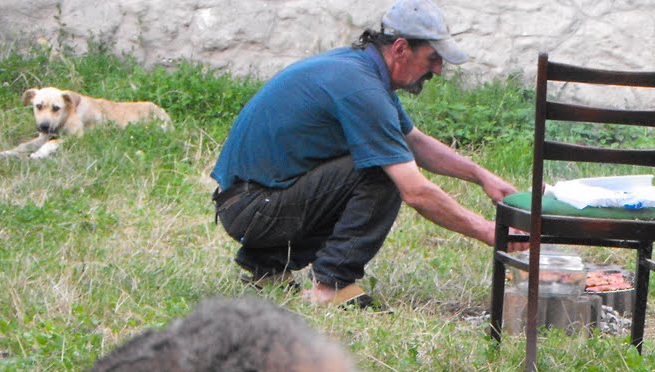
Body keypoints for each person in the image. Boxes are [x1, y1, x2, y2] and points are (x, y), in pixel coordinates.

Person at [210, 0, 518, 308]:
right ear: (400, 48)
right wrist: (488, 231)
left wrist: (482, 176)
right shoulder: (362, 89)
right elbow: (416, 192)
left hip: (248, 202)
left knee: (383, 158)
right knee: (381, 173)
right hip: (254, 210)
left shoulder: (362, 72)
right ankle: (332, 284)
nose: (438, 69)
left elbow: (415, 142)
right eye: (433, 58)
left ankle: (269, 266)